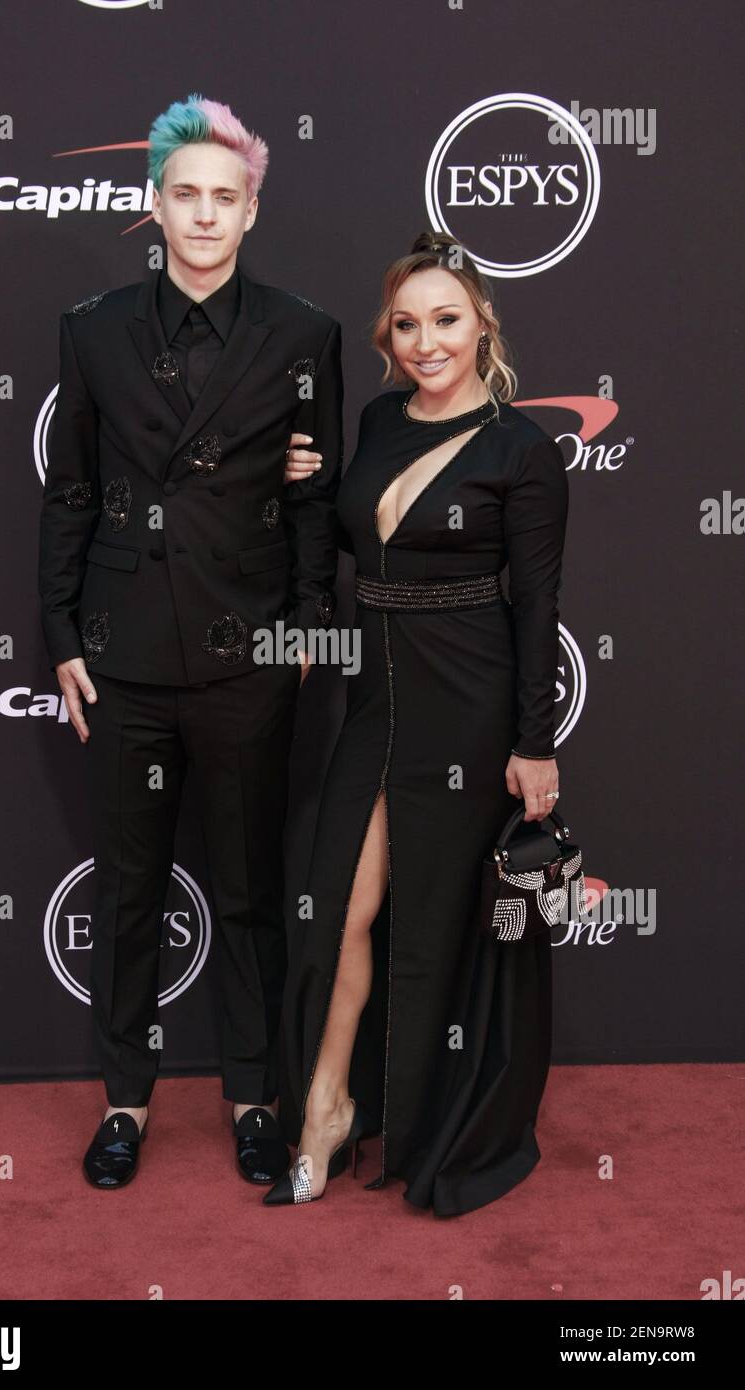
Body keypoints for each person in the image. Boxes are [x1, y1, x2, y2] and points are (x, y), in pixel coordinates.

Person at [37, 94, 343, 1189]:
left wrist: (310, 620)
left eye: (226, 198)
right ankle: (125, 1104)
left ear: (251, 211)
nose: (205, 216)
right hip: (123, 656)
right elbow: (70, 489)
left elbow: (318, 498)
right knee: (129, 888)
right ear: (153, 207)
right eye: (187, 197)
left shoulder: (306, 334)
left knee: (255, 884)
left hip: (249, 655)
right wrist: (61, 629)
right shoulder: (95, 328)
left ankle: (255, 1096)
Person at [268, 232, 569, 1215]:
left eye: (447, 319)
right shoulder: (376, 417)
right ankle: (326, 1101)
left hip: (472, 709)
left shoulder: (522, 448)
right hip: (378, 701)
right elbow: (353, 531)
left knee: (440, 918)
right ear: (387, 336)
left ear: (483, 322)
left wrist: (534, 743)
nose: (426, 341)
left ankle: (433, 1116)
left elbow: (537, 606)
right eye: (408, 324)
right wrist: (307, 480)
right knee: (341, 907)